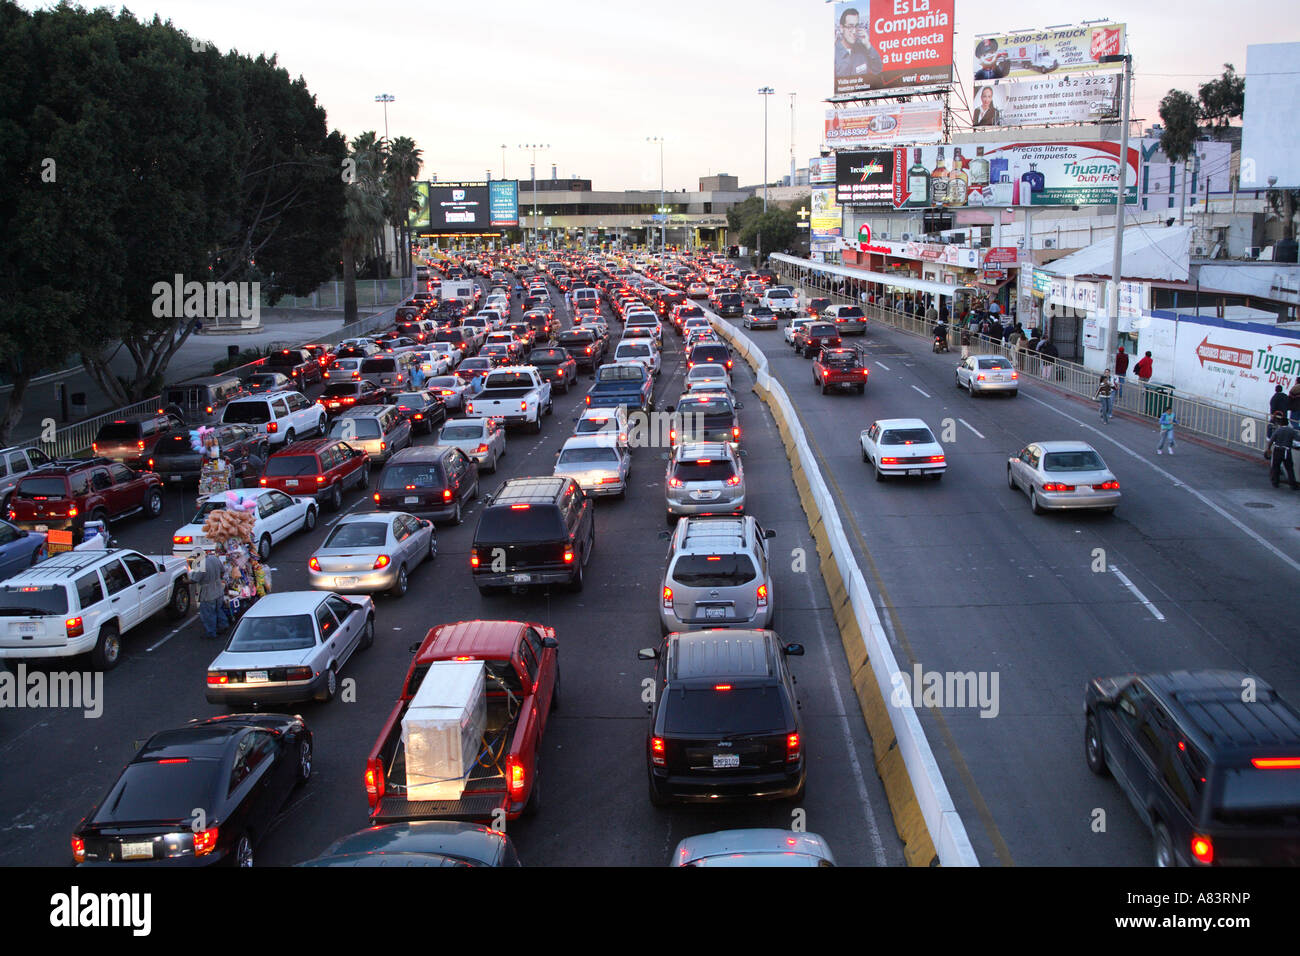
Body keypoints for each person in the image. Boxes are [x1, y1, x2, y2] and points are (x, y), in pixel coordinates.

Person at [834, 7, 884, 88]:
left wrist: (868, 45)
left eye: (856, 26)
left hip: (863, 94)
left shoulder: (863, 47)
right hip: (845, 95)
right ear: (841, 28)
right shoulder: (834, 53)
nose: (854, 31)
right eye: (850, 27)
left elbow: (878, 69)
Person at [189, 548, 230, 640]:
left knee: (208, 614)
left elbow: (194, 580)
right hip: (218, 590)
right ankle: (223, 626)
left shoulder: (201, 565)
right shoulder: (214, 559)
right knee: (218, 609)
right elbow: (222, 571)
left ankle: (211, 633)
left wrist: (185, 581)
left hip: (208, 593)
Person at [1263, 412, 1298, 488]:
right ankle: (1293, 484)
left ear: (1280, 423)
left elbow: (1271, 440)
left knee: (1276, 466)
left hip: (1277, 450)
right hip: (1287, 451)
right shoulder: (1291, 431)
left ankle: (1275, 482)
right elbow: (1298, 439)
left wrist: (1268, 449)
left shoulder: (1278, 430)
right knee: (1289, 468)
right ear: (1288, 423)